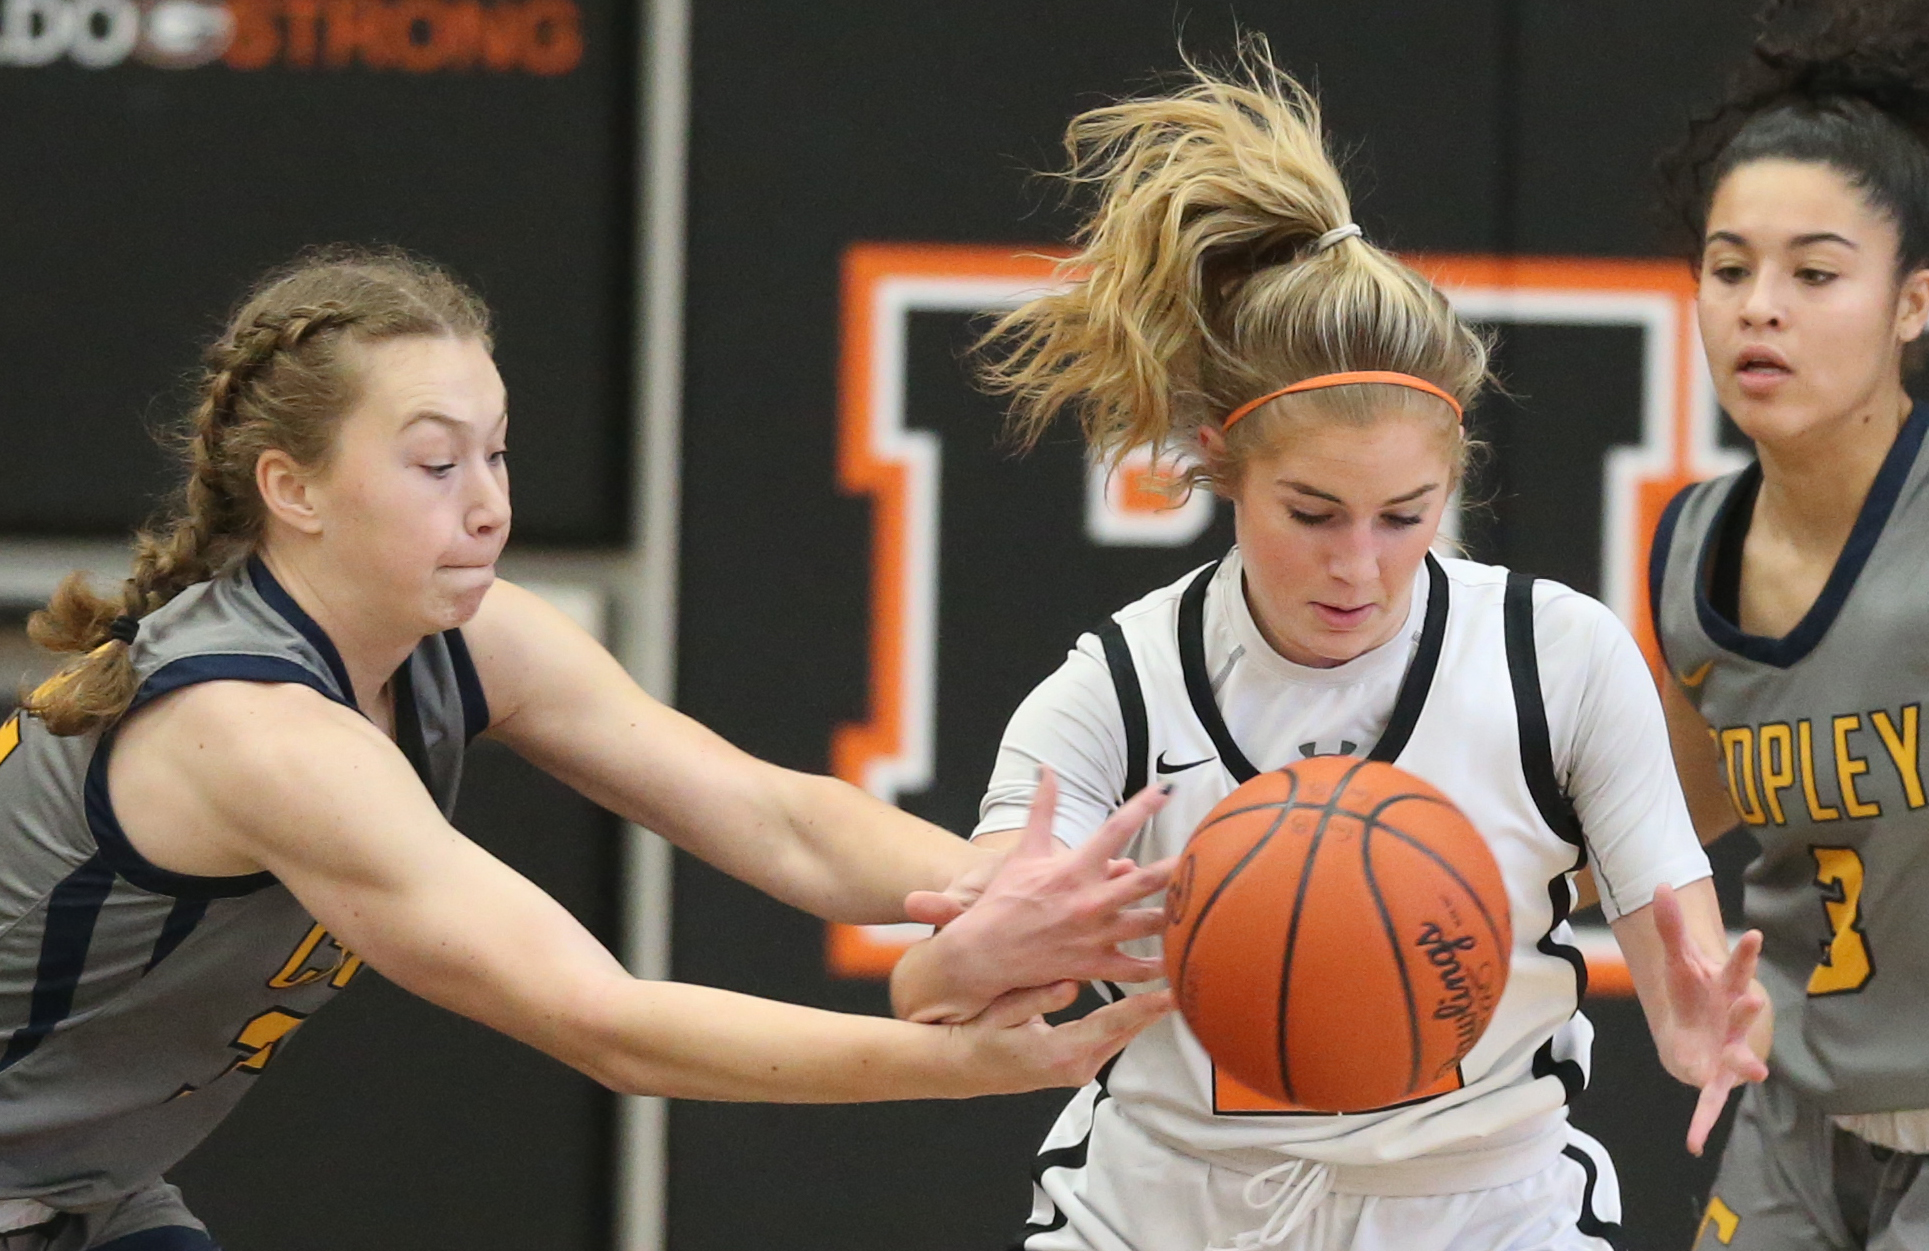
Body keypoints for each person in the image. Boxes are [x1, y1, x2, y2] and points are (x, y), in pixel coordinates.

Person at [0, 248, 1178, 1250]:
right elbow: (602, 1022)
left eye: (497, 454)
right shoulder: (257, 735)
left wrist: (1033, 891)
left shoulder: (458, 634)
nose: (488, 506)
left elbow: (774, 817)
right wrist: (960, 1069)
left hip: (81, 1194)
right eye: (434, 463)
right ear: (291, 489)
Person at [887, 43, 1772, 1251]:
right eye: (1312, 514)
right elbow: (927, 992)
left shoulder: (1553, 657)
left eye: (1404, 517)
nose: (1358, 564)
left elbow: (1684, 976)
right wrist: (972, 957)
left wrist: (1701, 1027)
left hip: (1484, 1212)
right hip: (1160, 1213)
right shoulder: (1117, 691)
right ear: (1216, 469)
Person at [1649, 3, 1929, 1247]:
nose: (1760, 308)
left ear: (1912, 303)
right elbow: (1662, 817)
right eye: (1728, 268)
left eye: (1815, 274)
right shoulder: (1689, 548)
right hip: (1792, 1120)